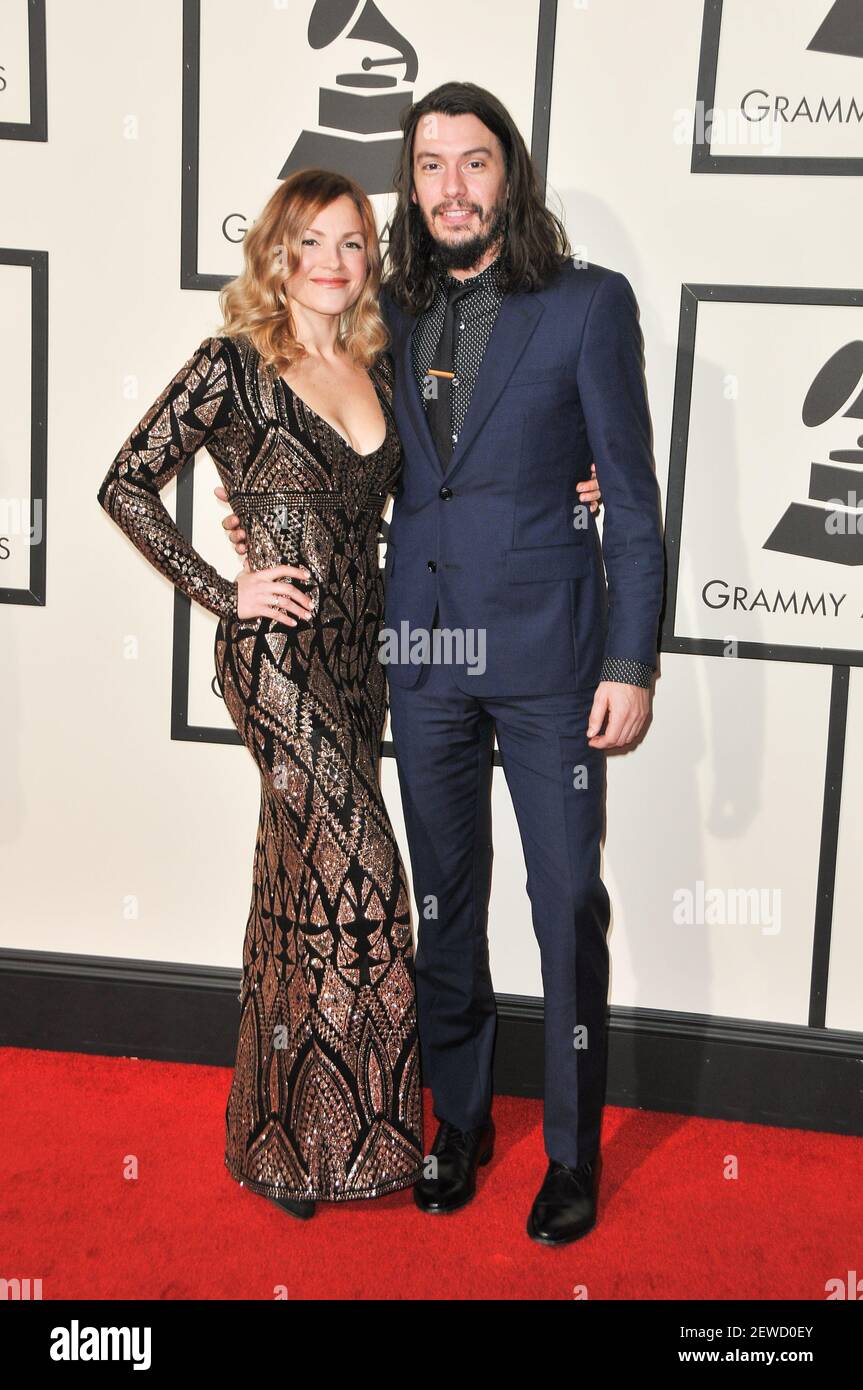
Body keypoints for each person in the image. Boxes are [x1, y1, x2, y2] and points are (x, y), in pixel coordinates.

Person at [223, 99, 626, 1244]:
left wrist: (630, 657)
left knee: (564, 911)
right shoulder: (384, 309)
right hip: (422, 655)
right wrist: (258, 517)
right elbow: (292, 397)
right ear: (414, 183)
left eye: (474, 163)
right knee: (442, 908)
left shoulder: (588, 303)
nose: (451, 186)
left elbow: (630, 497)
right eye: (430, 167)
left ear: (509, 174)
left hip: (551, 661)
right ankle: (458, 1121)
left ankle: (569, 1151)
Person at [97, 169, 444, 1220]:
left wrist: (577, 485)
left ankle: (287, 1138)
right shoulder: (233, 367)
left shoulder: (379, 372)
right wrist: (226, 588)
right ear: (277, 257)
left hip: (355, 664)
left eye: (352, 245)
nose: (334, 263)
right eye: (312, 243)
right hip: (277, 661)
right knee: (366, 878)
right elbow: (124, 482)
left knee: (299, 891)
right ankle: (327, 1135)